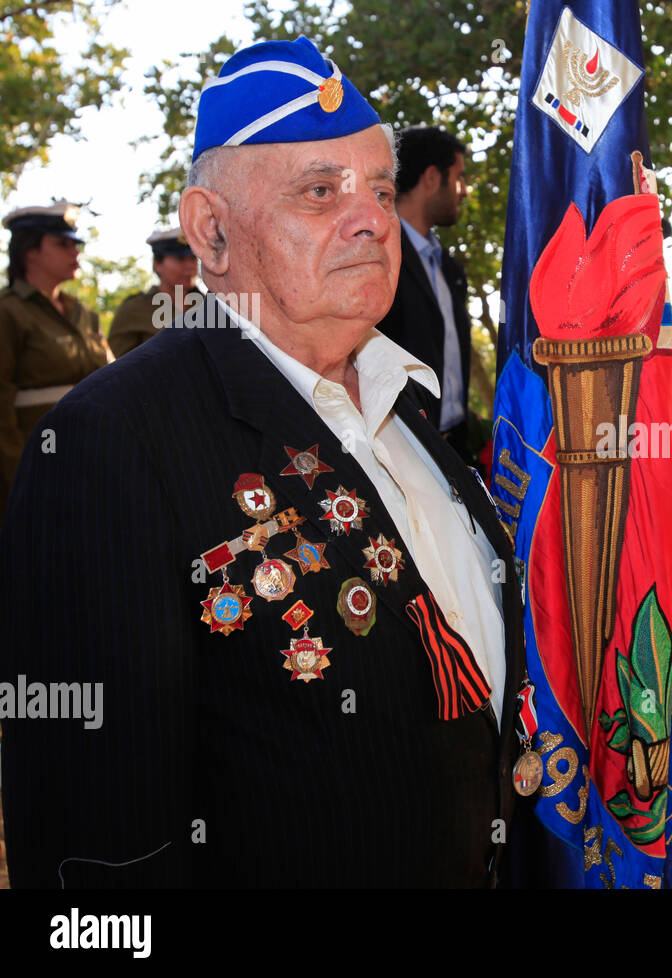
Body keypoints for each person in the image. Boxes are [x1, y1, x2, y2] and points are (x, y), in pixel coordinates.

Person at [0, 36, 527, 887]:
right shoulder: (111, 444)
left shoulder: (408, 408)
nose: (373, 218)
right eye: (320, 191)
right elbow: (99, 850)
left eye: (380, 189)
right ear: (209, 230)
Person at [376, 125, 479, 466]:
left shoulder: (450, 270)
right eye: (459, 178)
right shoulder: (376, 258)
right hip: (401, 454)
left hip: (455, 453)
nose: (463, 192)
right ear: (433, 178)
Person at [0, 200, 110, 514]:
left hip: (92, 463)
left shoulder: (83, 314)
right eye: (62, 244)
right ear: (30, 251)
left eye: (75, 244)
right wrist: (19, 481)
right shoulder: (8, 312)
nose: (75, 252)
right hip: (36, 467)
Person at [108, 228, 204, 358]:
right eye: (180, 259)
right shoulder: (135, 309)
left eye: (193, 258)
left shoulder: (211, 306)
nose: (190, 266)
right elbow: (114, 363)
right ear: (157, 264)